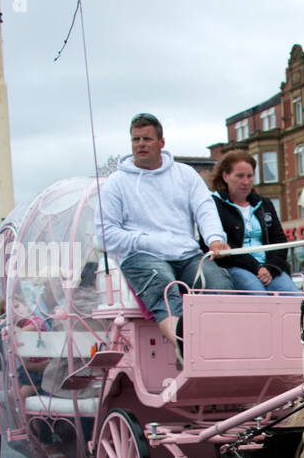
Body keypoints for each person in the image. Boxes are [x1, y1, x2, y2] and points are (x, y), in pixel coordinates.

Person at [96, 112, 233, 353]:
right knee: (165, 286)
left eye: (147, 139)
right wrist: (144, 240)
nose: (140, 144)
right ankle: (189, 354)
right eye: (136, 139)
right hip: (141, 255)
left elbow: (205, 208)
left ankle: (223, 349)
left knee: (219, 283)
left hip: (186, 254)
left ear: (161, 142)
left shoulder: (185, 174)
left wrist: (215, 239)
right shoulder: (116, 184)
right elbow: (105, 235)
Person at [209, 150, 297, 294]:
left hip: (268, 268)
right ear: (225, 176)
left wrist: (270, 268)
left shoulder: (264, 204)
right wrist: (256, 268)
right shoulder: (214, 205)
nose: (246, 182)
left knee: (294, 296)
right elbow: (227, 246)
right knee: (257, 295)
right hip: (236, 267)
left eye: (250, 176)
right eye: (240, 176)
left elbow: (279, 241)